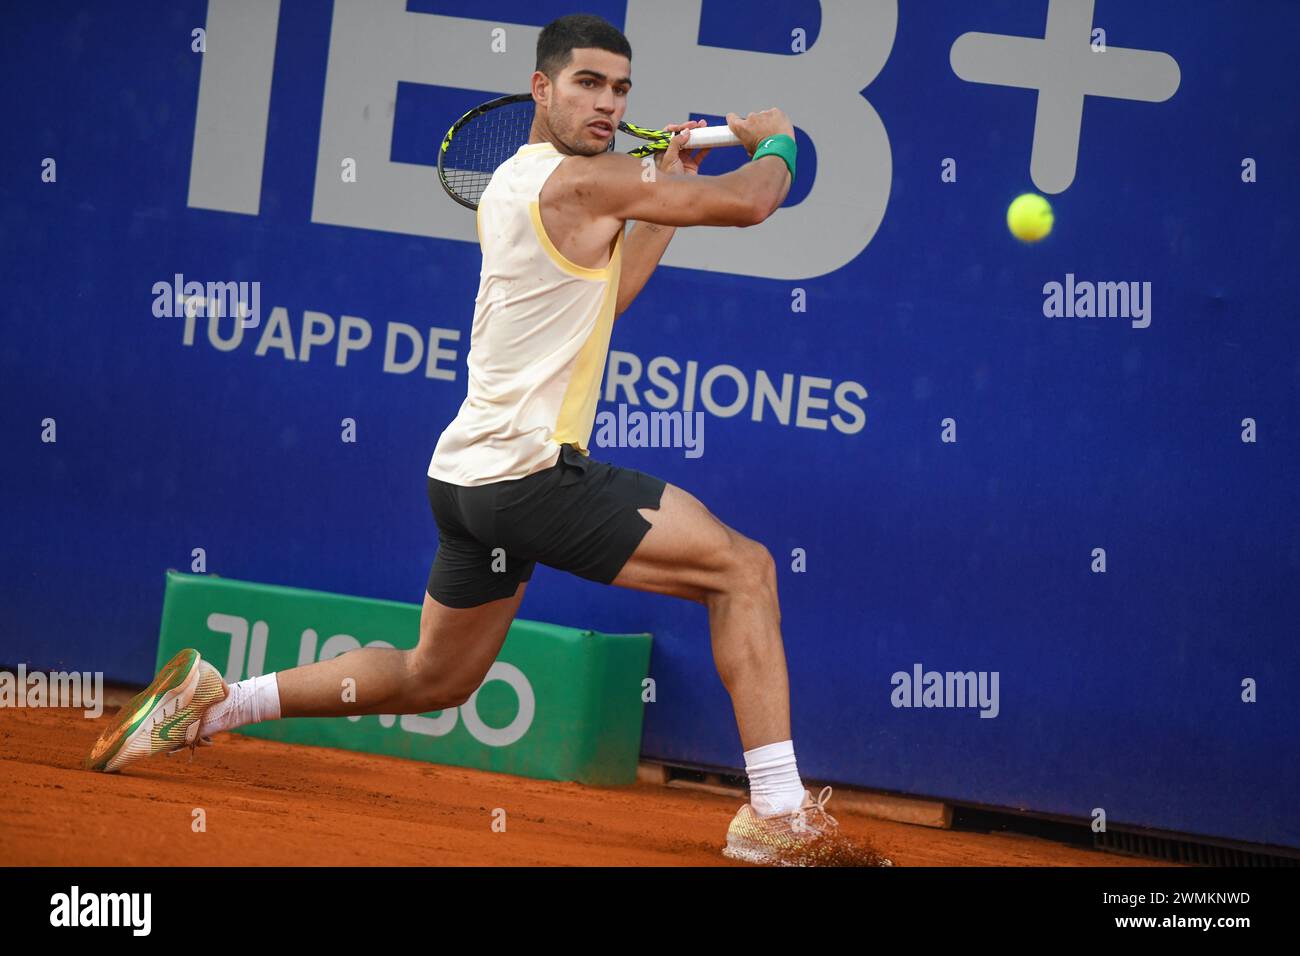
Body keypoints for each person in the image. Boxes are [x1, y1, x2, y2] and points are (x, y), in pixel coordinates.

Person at [86, 13, 831, 865]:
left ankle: (215, 704)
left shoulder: (527, 178)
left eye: (620, 89)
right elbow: (749, 203)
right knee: (745, 569)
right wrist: (779, 141)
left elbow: (605, 298)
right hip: (533, 477)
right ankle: (775, 811)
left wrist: (660, 194)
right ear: (541, 88)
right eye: (587, 83)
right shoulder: (586, 181)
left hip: (469, 483)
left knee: (433, 675)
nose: (607, 102)